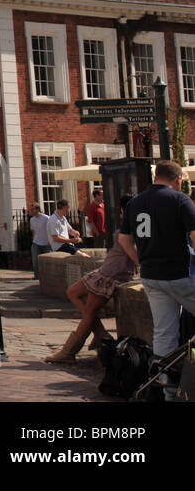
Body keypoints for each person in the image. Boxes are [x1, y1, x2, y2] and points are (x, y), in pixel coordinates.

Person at [118, 160, 195, 399]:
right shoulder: (180, 200)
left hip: (151, 276)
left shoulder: (135, 202)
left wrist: (141, 262)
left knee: (164, 332)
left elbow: (124, 240)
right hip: (180, 275)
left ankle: (167, 388)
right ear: (178, 180)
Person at [45, 195, 137, 363]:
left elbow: (134, 252)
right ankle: (100, 332)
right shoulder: (129, 225)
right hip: (105, 270)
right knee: (72, 292)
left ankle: (68, 352)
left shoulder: (131, 227)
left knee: (89, 312)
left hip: (112, 274)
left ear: (123, 210)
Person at [28, 202, 51, 279]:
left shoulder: (46, 218)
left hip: (46, 243)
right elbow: (34, 231)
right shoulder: (32, 220)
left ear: (37, 209)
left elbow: (50, 230)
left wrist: (50, 241)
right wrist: (33, 241)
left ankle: (48, 277)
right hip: (36, 243)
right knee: (35, 262)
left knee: (47, 262)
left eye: (32, 209)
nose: (30, 211)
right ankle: (37, 277)